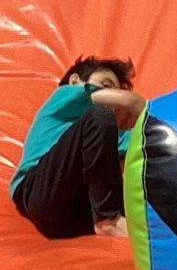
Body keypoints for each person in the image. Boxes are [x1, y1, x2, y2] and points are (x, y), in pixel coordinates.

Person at [11, 56, 145, 241]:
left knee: (129, 161)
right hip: (40, 192)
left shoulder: (101, 134)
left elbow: (138, 140)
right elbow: (97, 101)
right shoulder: (62, 98)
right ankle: (108, 218)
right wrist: (132, 102)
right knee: (100, 115)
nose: (114, 98)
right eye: (106, 85)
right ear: (75, 81)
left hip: (75, 213)